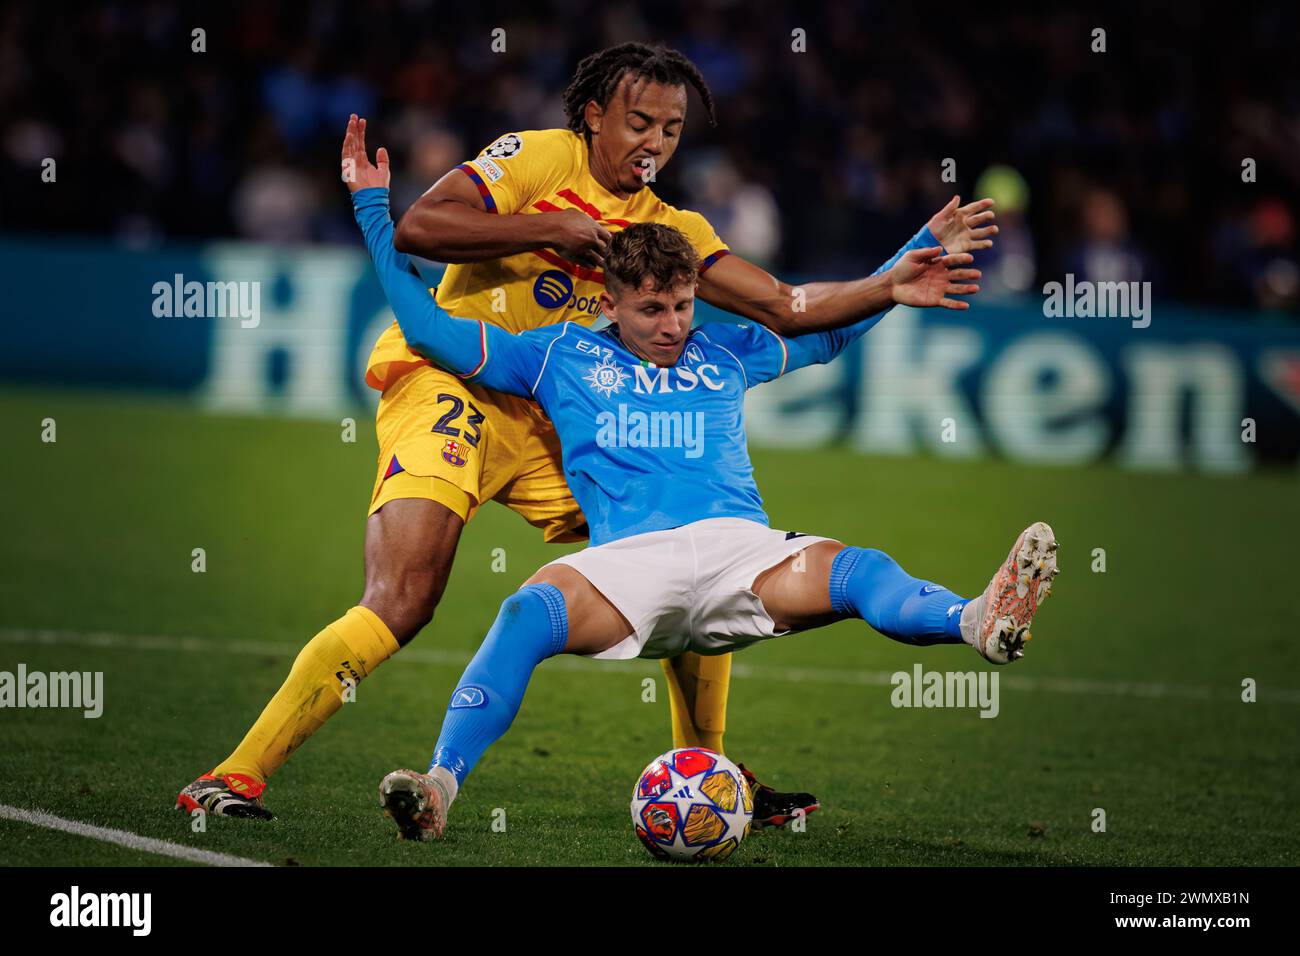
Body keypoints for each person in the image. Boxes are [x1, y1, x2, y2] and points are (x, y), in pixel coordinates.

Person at [178, 43, 997, 825]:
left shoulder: (670, 228)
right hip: (456, 384)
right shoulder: (537, 158)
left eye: (673, 130)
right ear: (595, 115)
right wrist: (545, 229)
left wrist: (904, 266)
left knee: (690, 540)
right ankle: (235, 773)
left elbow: (788, 307)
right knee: (407, 595)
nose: (655, 143)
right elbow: (426, 227)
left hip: (564, 411)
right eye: (641, 122)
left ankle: (705, 773)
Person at [342, 137, 1054, 841]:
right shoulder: (558, 354)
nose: (674, 325)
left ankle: (976, 622)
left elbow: (825, 330)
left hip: (738, 554)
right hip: (627, 567)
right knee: (526, 614)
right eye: (653, 310)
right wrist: (374, 210)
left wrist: (907, 263)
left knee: (855, 569)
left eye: (683, 306)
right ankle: (439, 786)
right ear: (612, 302)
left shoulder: (723, 350)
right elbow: (429, 329)